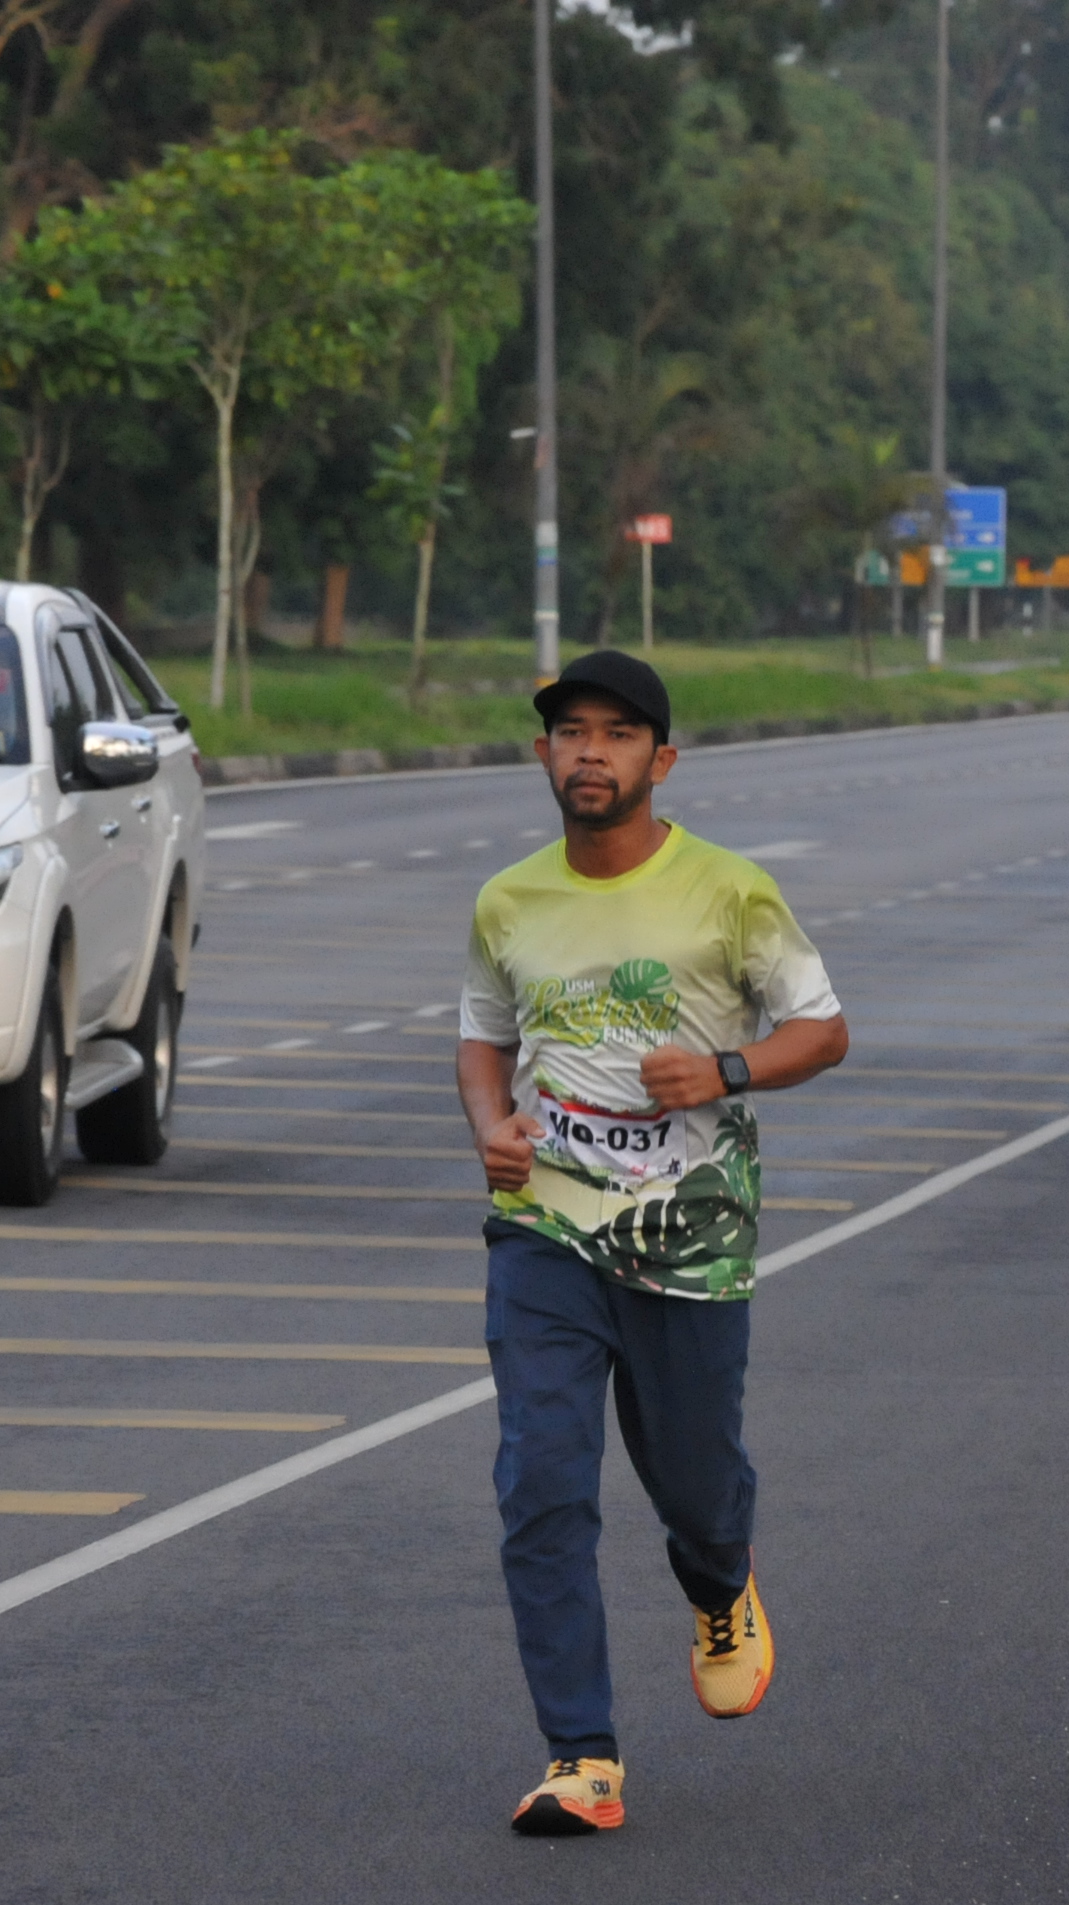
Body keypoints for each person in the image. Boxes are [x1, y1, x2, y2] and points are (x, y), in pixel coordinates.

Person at [456, 648, 854, 1838]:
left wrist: (728, 1067)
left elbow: (824, 1030)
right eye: (570, 731)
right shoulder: (508, 900)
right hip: (547, 1234)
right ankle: (580, 1756)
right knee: (540, 1485)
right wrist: (493, 1128)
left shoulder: (731, 893)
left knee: (694, 1479)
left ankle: (721, 1581)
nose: (590, 751)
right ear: (542, 754)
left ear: (660, 760)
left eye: (618, 734)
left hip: (689, 1238)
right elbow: (482, 1039)